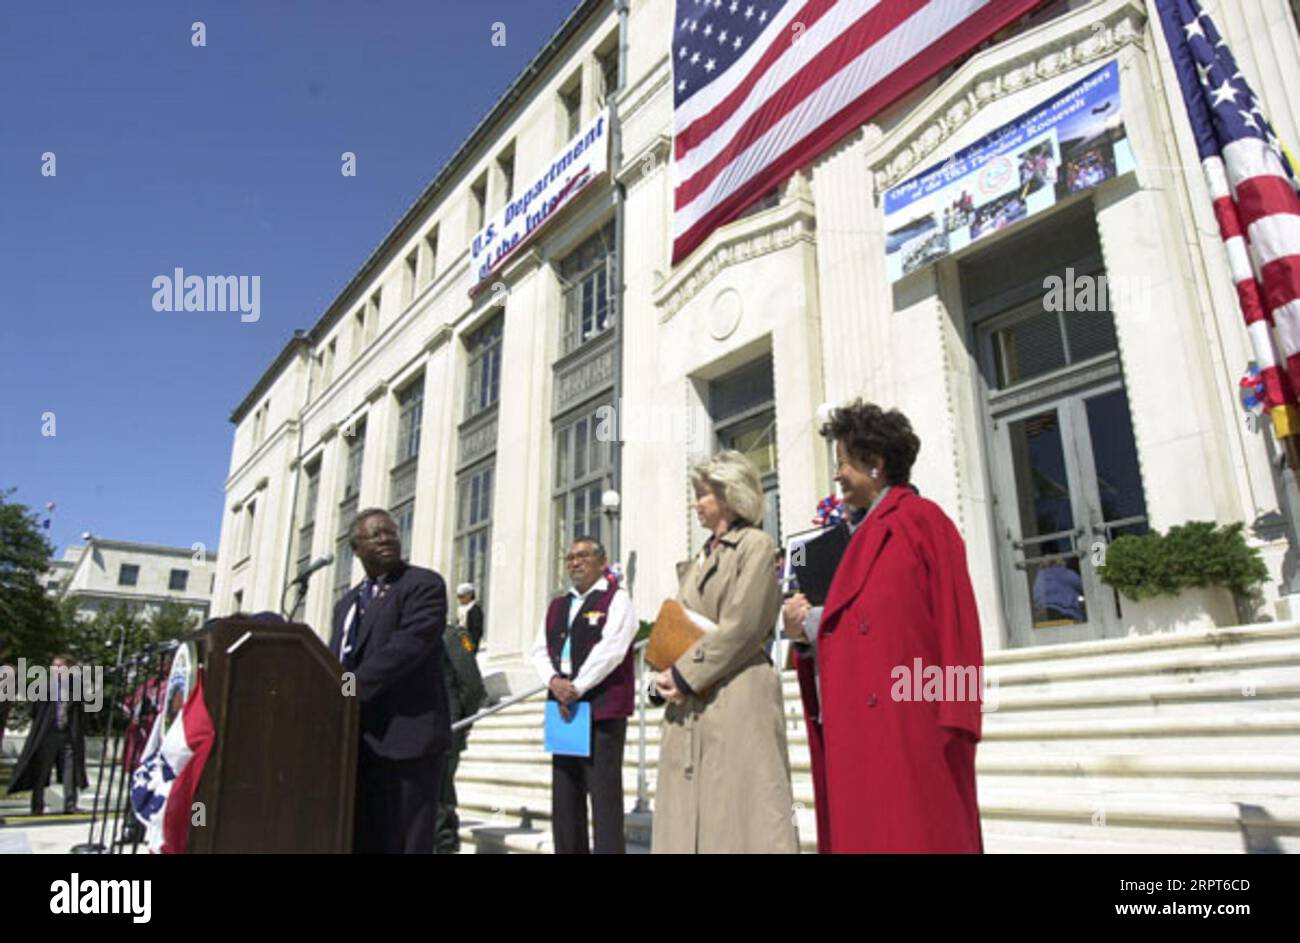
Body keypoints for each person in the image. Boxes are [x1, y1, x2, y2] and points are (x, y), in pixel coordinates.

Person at [785, 401, 984, 853]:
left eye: (843, 462)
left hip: (914, 719)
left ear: (875, 465)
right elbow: (853, 622)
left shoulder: (922, 520)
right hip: (858, 723)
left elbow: (958, 623)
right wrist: (804, 631)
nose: (836, 475)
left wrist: (958, 719)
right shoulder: (851, 536)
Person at [651, 450, 798, 854]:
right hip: (690, 705)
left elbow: (744, 625)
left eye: (702, 494)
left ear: (729, 495)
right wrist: (662, 675)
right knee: (691, 819)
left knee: (742, 817)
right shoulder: (701, 557)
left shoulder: (757, 546)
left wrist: (683, 674)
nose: (694, 503)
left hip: (736, 697)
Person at [328, 508, 451, 854]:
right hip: (359, 742)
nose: (386, 539)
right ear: (356, 549)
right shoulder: (347, 603)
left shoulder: (423, 585)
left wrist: (347, 687)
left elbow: (407, 647)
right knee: (365, 837)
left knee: (406, 840)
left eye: (391, 532)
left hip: (407, 738)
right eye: (375, 535)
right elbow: (334, 658)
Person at [528, 536, 638, 854]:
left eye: (583, 556)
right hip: (561, 704)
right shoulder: (558, 605)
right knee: (565, 793)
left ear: (602, 562)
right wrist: (552, 680)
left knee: (603, 794)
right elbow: (538, 649)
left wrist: (577, 685)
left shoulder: (616, 600)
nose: (575, 562)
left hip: (599, 705)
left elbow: (612, 649)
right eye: (570, 558)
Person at [7, 655, 89, 815]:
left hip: (68, 735)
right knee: (41, 770)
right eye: (54, 666)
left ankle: (70, 804)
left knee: (70, 771)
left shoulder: (76, 689)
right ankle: (37, 805)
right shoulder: (44, 687)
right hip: (47, 735)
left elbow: (81, 714)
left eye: (61, 667)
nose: (57, 670)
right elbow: (36, 711)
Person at [436, 619, 486, 854]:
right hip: (416, 732)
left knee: (440, 798)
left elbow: (473, 687)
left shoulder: (452, 636)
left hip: (446, 728)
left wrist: (460, 723)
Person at [455, 583, 484, 651]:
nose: (460, 599)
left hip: (468, 641)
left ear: (469, 595)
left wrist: (470, 645)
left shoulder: (475, 609)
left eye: (462, 596)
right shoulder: (461, 609)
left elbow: (476, 630)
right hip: (460, 640)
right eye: (458, 597)